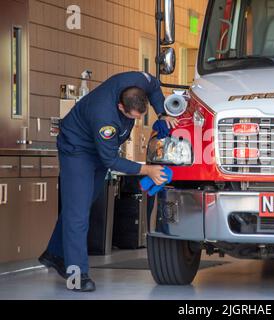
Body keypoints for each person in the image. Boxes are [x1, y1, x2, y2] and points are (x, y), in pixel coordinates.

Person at [38, 71, 177, 292]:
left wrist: (161, 112)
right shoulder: (104, 116)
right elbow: (110, 159)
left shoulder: (139, 82)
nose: (136, 120)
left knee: (81, 204)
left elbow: (154, 86)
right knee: (78, 213)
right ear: (121, 107)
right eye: (133, 117)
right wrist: (147, 170)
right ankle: (77, 276)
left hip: (100, 150)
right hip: (78, 150)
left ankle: (55, 253)